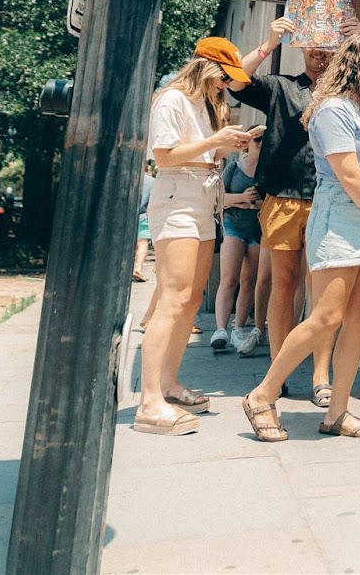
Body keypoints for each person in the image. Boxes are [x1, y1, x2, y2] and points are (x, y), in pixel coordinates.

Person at [243, 34, 360, 442]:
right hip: (339, 219)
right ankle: (262, 395)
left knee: (359, 320)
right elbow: (348, 173)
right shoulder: (332, 110)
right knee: (326, 317)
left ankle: (337, 413)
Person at [232, 16, 355, 407]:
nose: (320, 53)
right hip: (283, 198)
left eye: (328, 46)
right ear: (302, 47)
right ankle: (277, 374)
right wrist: (269, 43)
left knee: (322, 293)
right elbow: (236, 82)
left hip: (330, 199)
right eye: (314, 46)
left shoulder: (346, 93)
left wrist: (357, 40)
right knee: (283, 286)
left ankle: (321, 378)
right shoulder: (281, 86)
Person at [135, 38, 255, 435]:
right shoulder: (171, 100)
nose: (225, 85)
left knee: (190, 299)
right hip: (177, 197)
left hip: (204, 198)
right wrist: (215, 142)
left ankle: (168, 383)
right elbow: (164, 155)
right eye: (224, 77)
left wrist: (227, 146)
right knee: (173, 298)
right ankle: (148, 401)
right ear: (205, 68)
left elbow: (201, 154)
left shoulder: (207, 104)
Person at [213, 135, 264, 354]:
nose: (261, 142)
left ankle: (239, 327)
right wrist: (242, 198)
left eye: (266, 138)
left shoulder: (268, 170)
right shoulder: (234, 168)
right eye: (257, 138)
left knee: (249, 280)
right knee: (229, 278)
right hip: (233, 226)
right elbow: (218, 200)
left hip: (258, 230)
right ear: (248, 143)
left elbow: (272, 202)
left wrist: (255, 204)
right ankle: (220, 330)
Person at [133, 169, 153, 282]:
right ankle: (138, 268)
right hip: (143, 215)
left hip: (126, 216)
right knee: (142, 242)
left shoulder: (129, 177)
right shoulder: (152, 182)